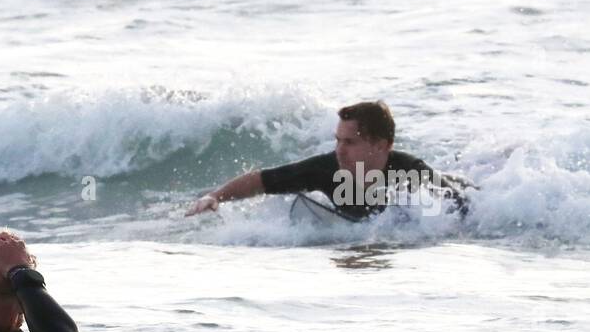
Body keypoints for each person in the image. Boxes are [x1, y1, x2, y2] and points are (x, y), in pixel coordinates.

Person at [185, 101, 472, 220]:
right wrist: (215, 196)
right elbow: (263, 180)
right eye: (337, 140)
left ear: (382, 145)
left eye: (350, 142)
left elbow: (460, 210)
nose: (340, 150)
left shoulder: (410, 172)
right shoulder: (329, 169)